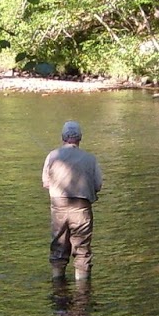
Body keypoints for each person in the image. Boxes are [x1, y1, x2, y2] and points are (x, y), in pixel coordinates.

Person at [42, 119, 102, 281]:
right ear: (80, 138)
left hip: (58, 207)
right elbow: (98, 185)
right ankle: (83, 288)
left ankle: (57, 284)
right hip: (81, 208)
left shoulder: (52, 156)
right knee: (82, 251)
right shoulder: (90, 158)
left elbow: (46, 183)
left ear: (63, 137)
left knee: (58, 248)